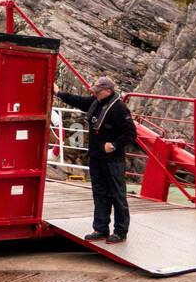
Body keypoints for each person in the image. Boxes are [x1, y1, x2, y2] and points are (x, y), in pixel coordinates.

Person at [56, 76, 139, 243]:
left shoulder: (119, 109)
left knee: (117, 195)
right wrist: (59, 93)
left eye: (98, 92)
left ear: (108, 91)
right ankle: (100, 228)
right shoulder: (95, 102)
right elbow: (78, 101)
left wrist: (114, 145)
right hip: (96, 158)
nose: (96, 94)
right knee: (99, 193)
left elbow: (131, 133)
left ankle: (120, 231)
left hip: (113, 160)